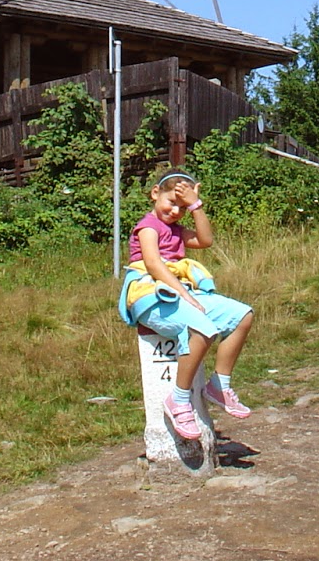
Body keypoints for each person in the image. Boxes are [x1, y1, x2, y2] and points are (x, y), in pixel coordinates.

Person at [119, 170, 254, 440]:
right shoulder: (148, 226)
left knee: (242, 315)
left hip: (179, 290)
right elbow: (154, 264)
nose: (175, 211)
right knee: (201, 328)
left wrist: (197, 207)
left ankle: (219, 385)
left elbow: (205, 240)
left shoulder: (178, 230)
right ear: (155, 193)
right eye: (172, 202)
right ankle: (179, 401)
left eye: (183, 207)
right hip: (150, 293)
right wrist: (185, 295)